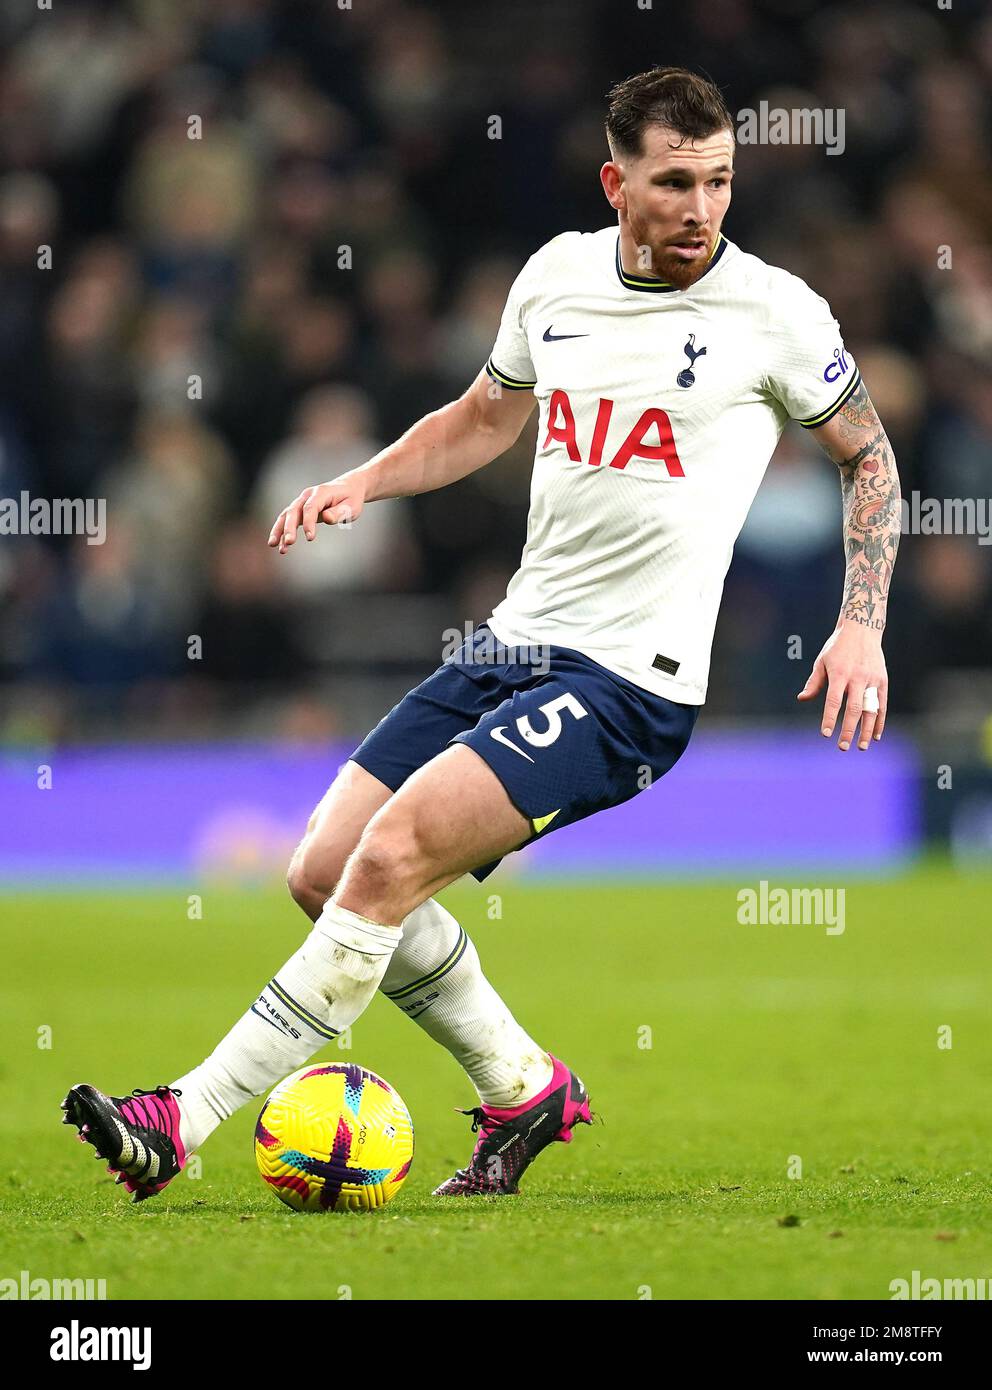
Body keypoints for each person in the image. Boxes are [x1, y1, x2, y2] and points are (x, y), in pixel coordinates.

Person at [62, 66, 900, 1200]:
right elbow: (479, 418)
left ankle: (183, 1114)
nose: (701, 207)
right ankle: (521, 1087)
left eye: (717, 181)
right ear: (615, 182)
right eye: (673, 182)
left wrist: (859, 627)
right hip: (511, 644)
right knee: (320, 871)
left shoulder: (775, 313)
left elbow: (868, 457)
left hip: (627, 681)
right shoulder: (555, 278)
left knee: (393, 856)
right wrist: (364, 479)